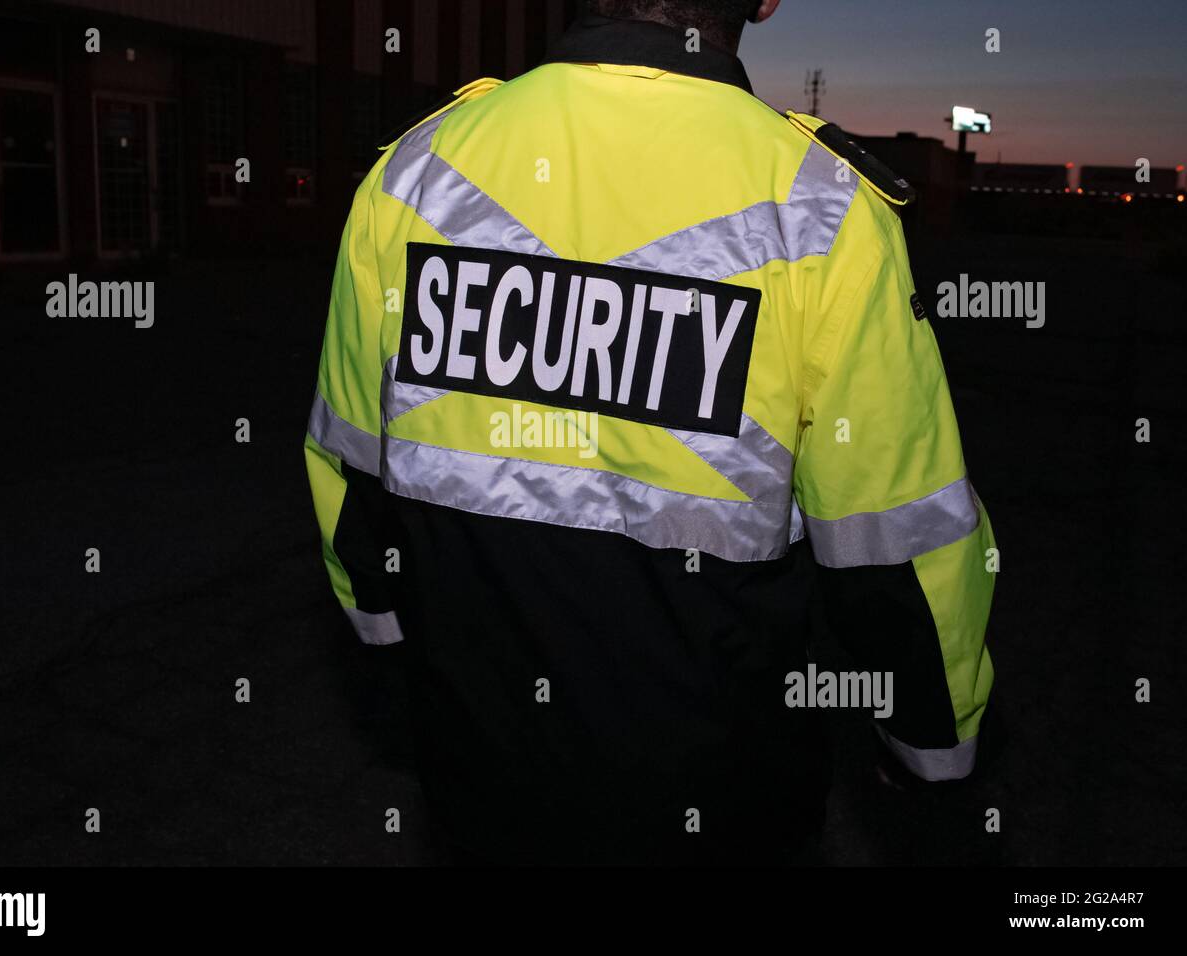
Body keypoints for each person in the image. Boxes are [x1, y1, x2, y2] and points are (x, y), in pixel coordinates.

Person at [304, 0, 996, 865]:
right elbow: (897, 536)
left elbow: (350, 463)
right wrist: (931, 741)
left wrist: (380, 626)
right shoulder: (820, 207)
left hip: (480, 769)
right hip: (723, 794)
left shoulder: (417, 171)